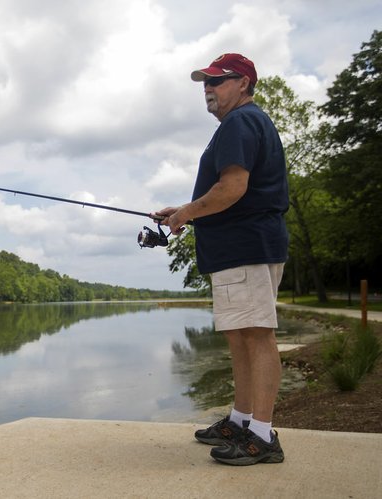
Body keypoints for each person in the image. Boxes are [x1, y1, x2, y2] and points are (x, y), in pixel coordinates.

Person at [153, 53, 289, 466]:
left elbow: (233, 188)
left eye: (217, 81)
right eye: (204, 83)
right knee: (240, 335)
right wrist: (183, 209)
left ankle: (262, 436)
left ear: (244, 83)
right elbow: (231, 192)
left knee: (255, 334)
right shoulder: (244, 123)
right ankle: (241, 419)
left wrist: (187, 214)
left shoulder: (240, 122)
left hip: (245, 246)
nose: (208, 89)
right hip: (243, 245)